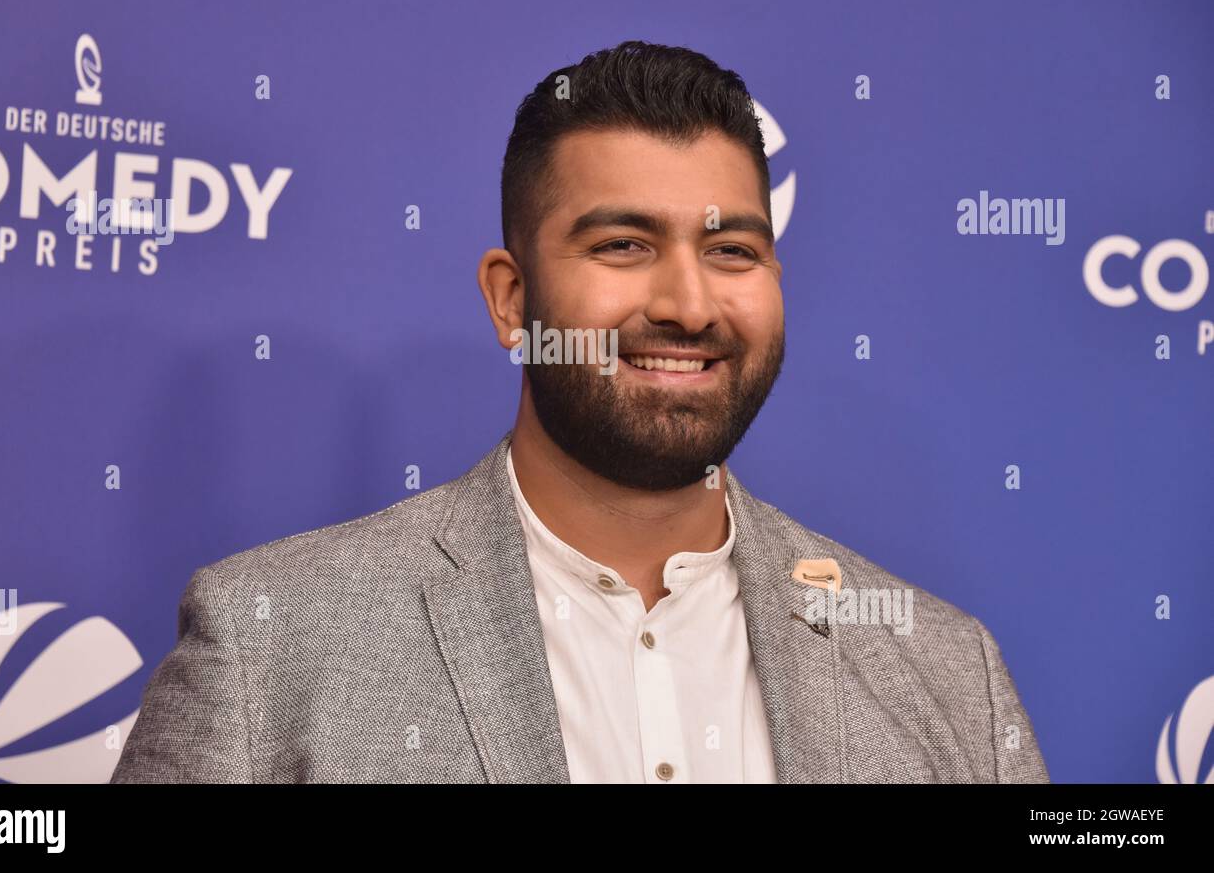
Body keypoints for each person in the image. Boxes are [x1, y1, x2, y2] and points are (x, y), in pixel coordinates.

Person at [111, 41, 1048, 783]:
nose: (689, 303)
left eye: (733, 254)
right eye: (625, 243)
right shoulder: (270, 644)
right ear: (512, 300)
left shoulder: (946, 669)